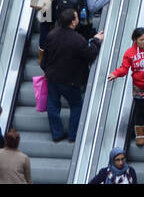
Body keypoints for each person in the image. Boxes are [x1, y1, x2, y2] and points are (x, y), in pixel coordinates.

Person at [42, 9, 104, 141]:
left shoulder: (51, 35)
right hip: (70, 81)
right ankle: (73, 134)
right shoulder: (77, 39)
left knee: (52, 104)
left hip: (52, 77)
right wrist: (96, 41)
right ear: (73, 22)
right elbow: (90, 54)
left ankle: (57, 133)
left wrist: (46, 71)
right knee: (76, 105)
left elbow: (45, 58)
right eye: (76, 17)